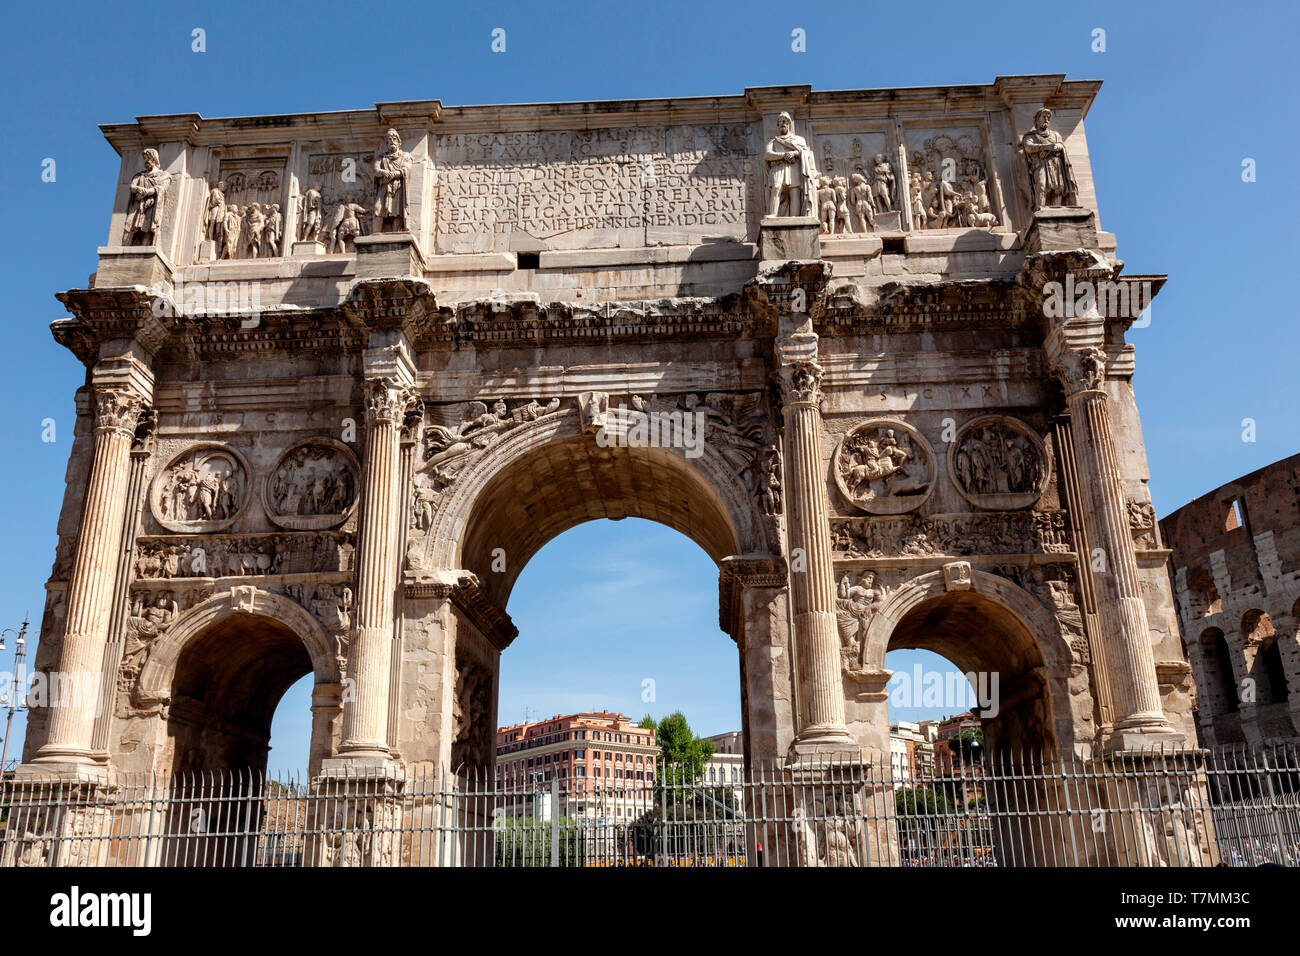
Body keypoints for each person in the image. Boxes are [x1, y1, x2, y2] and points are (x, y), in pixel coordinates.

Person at [1019, 108, 1079, 209]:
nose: (1046, 119)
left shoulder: (1055, 135)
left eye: (1048, 118)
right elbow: (1028, 147)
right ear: (1037, 120)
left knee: (1058, 187)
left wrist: (1058, 146)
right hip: (1040, 164)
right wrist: (1048, 147)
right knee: (1041, 184)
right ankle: (1040, 208)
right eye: (1043, 117)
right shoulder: (1031, 136)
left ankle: (1057, 210)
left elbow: (1060, 145)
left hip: (1056, 163)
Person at [764, 112, 818, 217]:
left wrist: (794, 153)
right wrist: (784, 155)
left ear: (789, 124)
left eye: (784, 121)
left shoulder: (798, 139)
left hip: (794, 167)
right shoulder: (773, 141)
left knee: (795, 191)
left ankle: (795, 217)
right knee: (776, 188)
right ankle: (773, 214)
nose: (782, 124)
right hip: (778, 167)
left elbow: (805, 153)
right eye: (779, 122)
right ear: (778, 126)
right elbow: (767, 155)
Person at [123, 148, 171, 245]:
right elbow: (132, 186)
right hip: (138, 206)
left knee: (148, 226)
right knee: (134, 225)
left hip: (151, 206)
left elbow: (162, 187)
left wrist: (149, 191)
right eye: (145, 158)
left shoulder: (164, 175)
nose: (146, 161)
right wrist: (139, 189)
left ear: (154, 159)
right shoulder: (140, 175)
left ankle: (146, 245)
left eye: (148, 158)